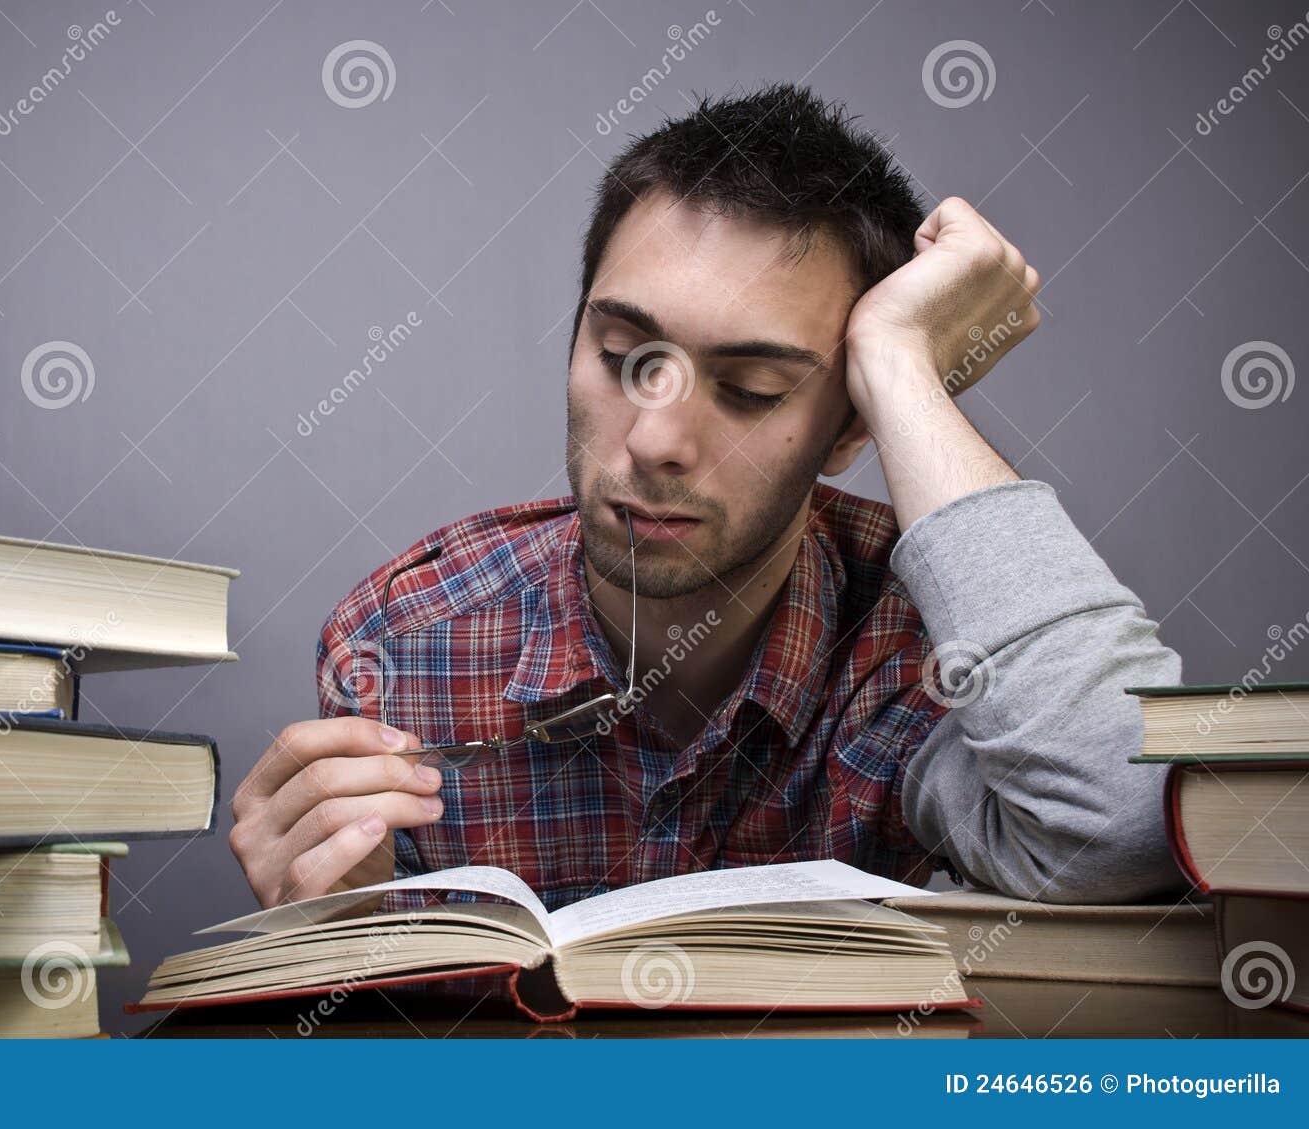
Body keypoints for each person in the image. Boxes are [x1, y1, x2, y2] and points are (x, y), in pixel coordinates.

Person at [229, 82, 1186, 910]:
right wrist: (336, 950)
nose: (655, 441)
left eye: (752, 388)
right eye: (623, 356)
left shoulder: (924, 651)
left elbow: (1132, 826)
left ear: (851, 426)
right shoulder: (404, 645)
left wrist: (902, 365)